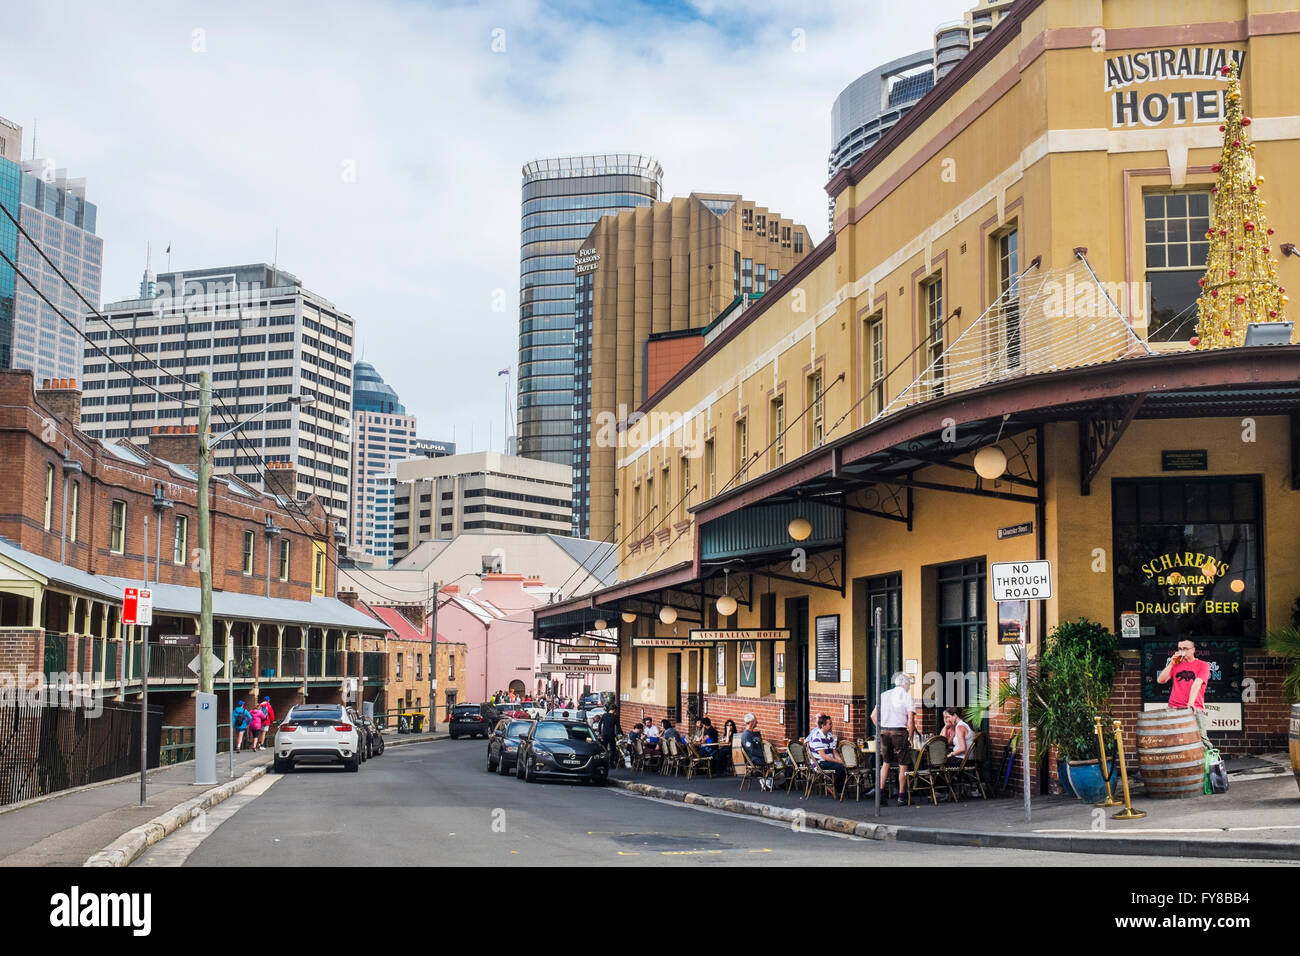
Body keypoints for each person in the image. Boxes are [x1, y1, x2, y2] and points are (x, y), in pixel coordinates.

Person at [869, 672, 917, 805]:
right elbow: (911, 721)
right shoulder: (907, 697)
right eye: (908, 686)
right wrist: (911, 738)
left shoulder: (884, 695)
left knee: (886, 762)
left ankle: (881, 794)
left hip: (884, 730)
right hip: (899, 732)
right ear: (905, 684)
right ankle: (901, 796)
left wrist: (881, 728)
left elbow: (873, 716)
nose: (909, 688)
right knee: (903, 764)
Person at [1157, 637, 1213, 749]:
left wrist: (1191, 703)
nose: (1182, 651)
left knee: (1202, 742)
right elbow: (1161, 680)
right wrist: (1171, 664)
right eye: (1180, 649)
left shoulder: (1203, 665)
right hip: (1174, 708)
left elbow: (1197, 684)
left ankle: (1204, 765)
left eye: (1185, 649)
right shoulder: (1176, 664)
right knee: (1172, 741)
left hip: (1194, 708)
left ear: (1193, 650)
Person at [805, 713, 847, 797]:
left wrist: (841, 760)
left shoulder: (829, 735)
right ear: (823, 725)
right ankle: (836, 789)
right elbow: (824, 756)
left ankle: (837, 788)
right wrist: (838, 762)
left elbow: (834, 751)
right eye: (830, 724)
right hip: (820, 763)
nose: (831, 726)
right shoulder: (816, 737)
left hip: (828, 761)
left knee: (844, 766)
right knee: (841, 768)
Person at [739, 713, 773, 790]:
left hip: (757, 756)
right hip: (753, 758)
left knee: (774, 760)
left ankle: (767, 780)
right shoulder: (746, 735)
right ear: (751, 722)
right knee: (772, 761)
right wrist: (764, 755)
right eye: (755, 721)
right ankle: (766, 781)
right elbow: (751, 750)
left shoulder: (752, 733)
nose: (757, 722)